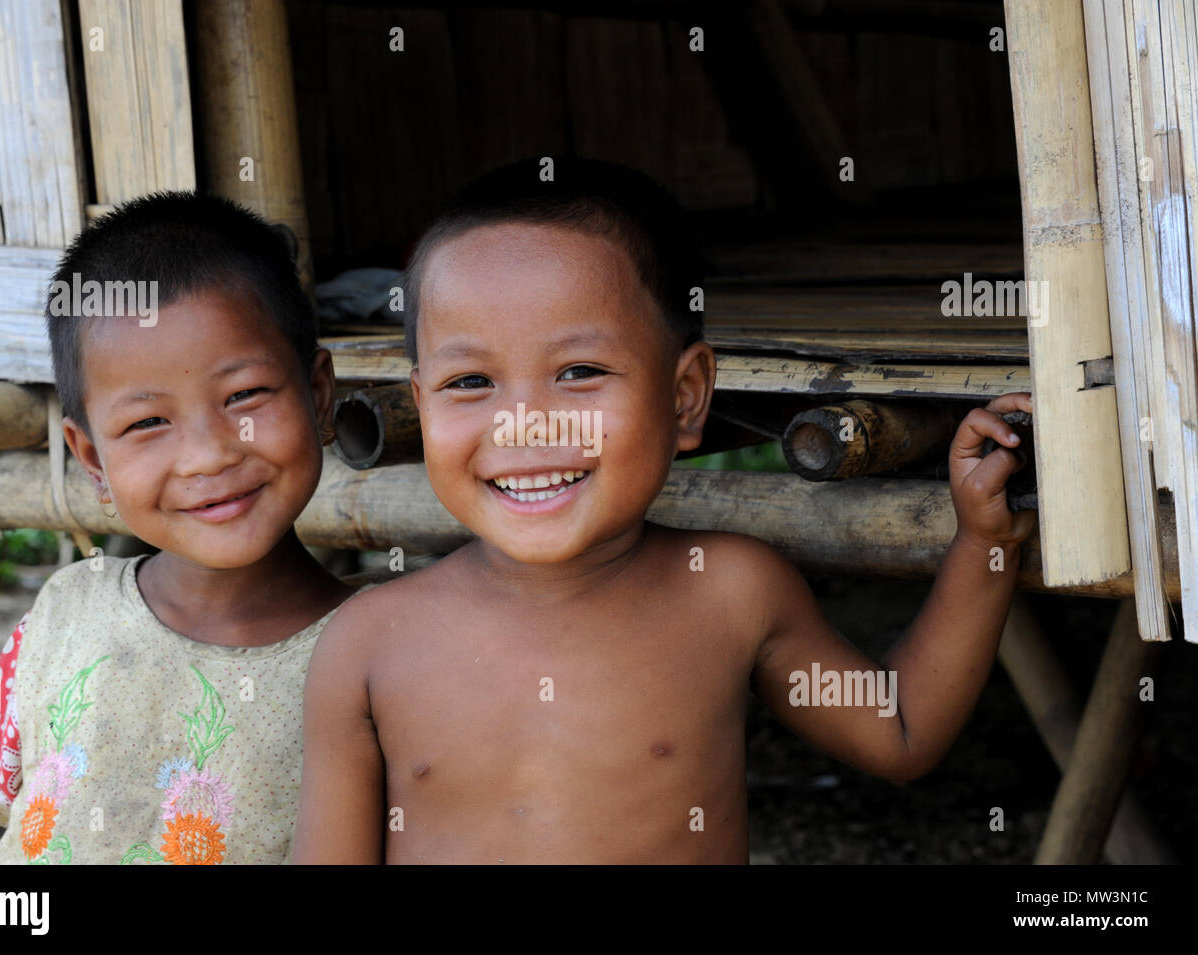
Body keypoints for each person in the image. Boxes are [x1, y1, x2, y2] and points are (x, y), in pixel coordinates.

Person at [293, 158, 1036, 864]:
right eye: (470, 381)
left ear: (685, 397)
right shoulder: (368, 642)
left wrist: (983, 543)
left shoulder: (727, 592)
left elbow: (899, 732)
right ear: (419, 405)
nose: (525, 424)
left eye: (578, 372)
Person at [0, 192, 355, 864]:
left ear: (317, 396)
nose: (208, 454)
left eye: (244, 396)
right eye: (146, 423)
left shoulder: (381, 649)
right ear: (91, 459)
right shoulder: (62, 614)